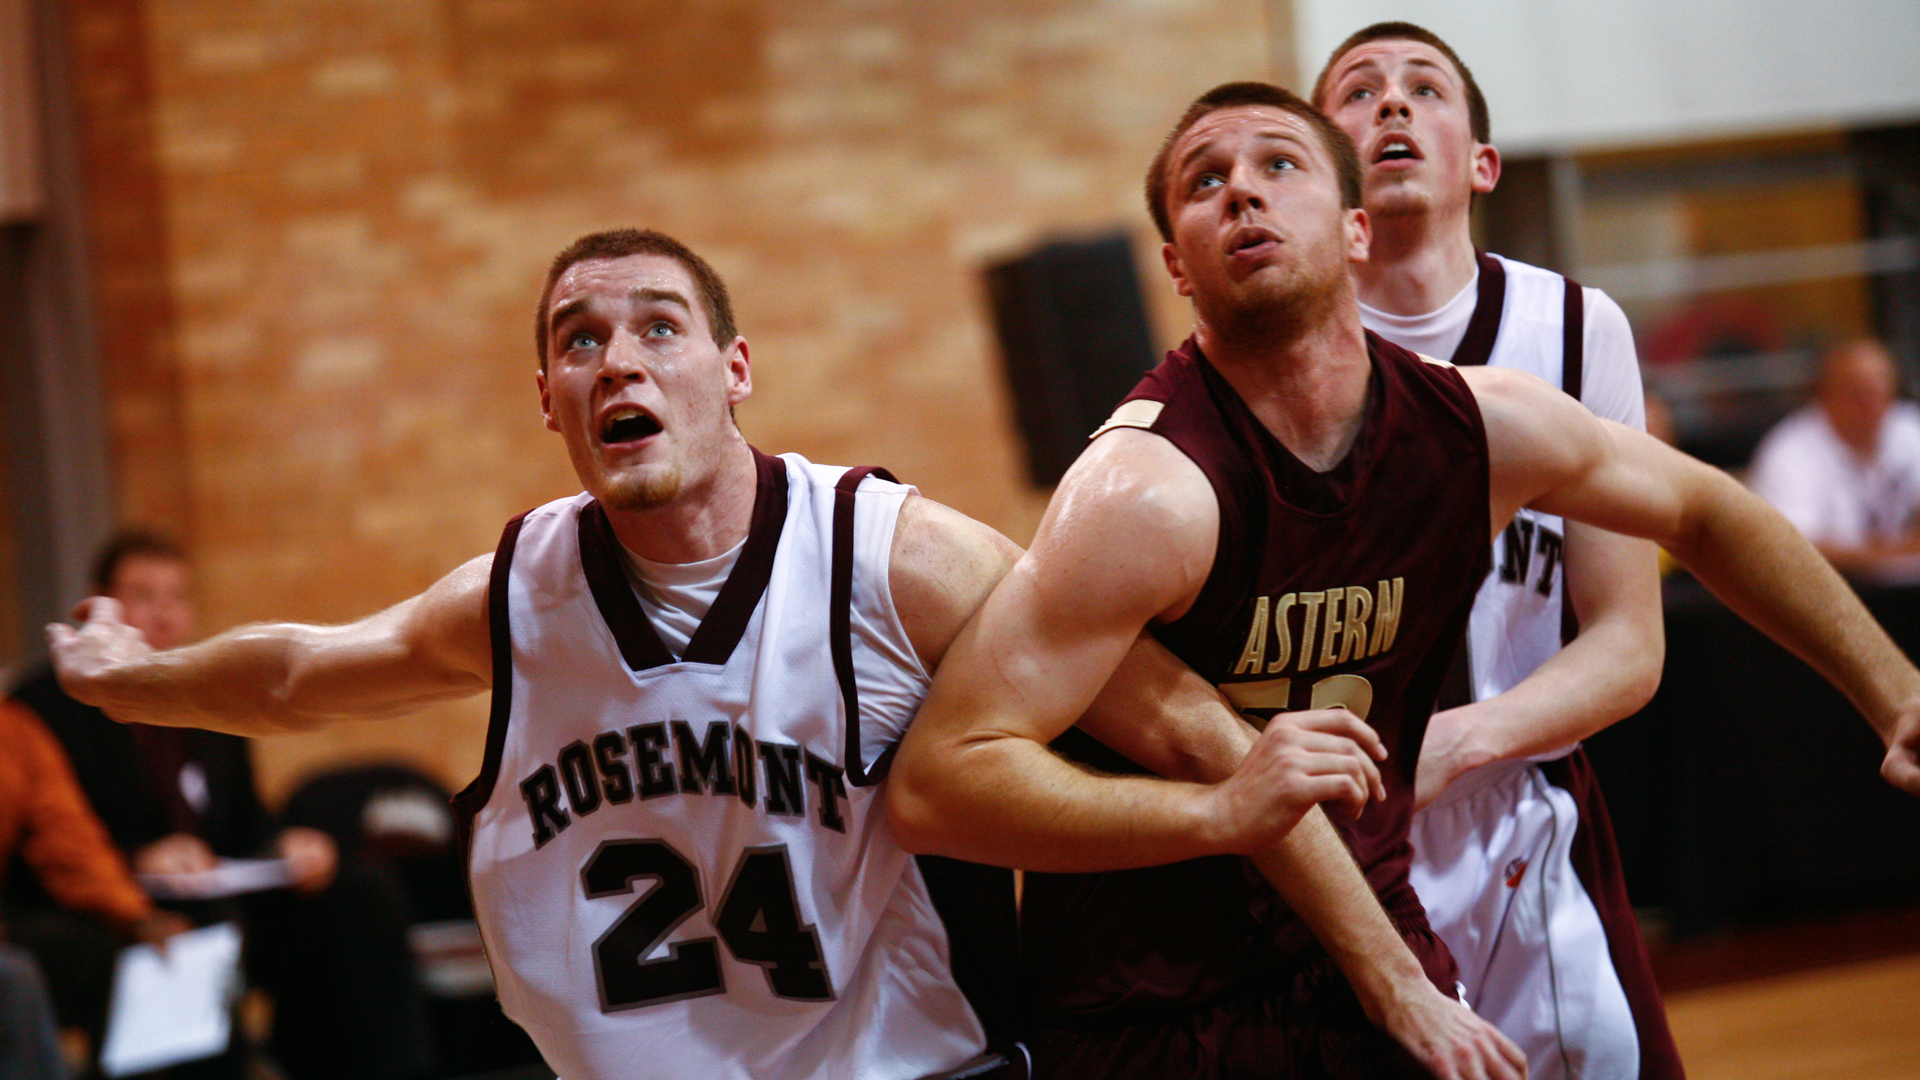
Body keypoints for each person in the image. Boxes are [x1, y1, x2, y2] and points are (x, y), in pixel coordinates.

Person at [44, 228, 1422, 1080]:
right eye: (579, 342)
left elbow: (1190, 732)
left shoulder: (894, 558)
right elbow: (297, 675)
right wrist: (122, 680)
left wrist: (1394, 977)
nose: (617, 360)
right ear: (550, 404)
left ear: (735, 368)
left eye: (657, 326)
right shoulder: (526, 588)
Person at [887, 81, 1920, 1080]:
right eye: (1205, 181)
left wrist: (1895, 691)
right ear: (1179, 268)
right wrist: (1214, 814)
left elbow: (1706, 511)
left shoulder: (1476, 428)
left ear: (1355, 231)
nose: (1240, 190)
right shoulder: (1146, 492)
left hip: (1371, 945)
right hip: (1152, 1001)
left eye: (1277, 164)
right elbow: (942, 782)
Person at [1308, 24, 1675, 1079]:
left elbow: (1628, 646)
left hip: (1524, 804)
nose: (1390, 105)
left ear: (1481, 162)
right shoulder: (1284, 352)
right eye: (1357, 92)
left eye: (1423, 88)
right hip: (1340, 833)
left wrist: (1461, 743)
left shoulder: (1574, 327)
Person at [11, 531, 436, 1080]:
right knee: (206, 925)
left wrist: (287, 843)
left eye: (176, 598)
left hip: (219, 889)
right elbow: (48, 844)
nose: (163, 616)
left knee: (359, 896)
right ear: (100, 604)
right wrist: (138, 859)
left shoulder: (208, 691)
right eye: (144, 597)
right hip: (110, 900)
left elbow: (246, 824)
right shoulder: (46, 706)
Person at [0, 696, 186, 1075]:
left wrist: (135, 915)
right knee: (14, 977)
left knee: (131, 953)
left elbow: (67, 838)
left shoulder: (13, 729)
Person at [1748, 336, 1920, 582]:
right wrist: (1896, 553)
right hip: (1833, 593)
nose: (1872, 400)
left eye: (1881, 386)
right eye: (1858, 390)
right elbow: (1789, 548)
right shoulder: (1787, 451)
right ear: (1825, 393)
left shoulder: (1911, 428)